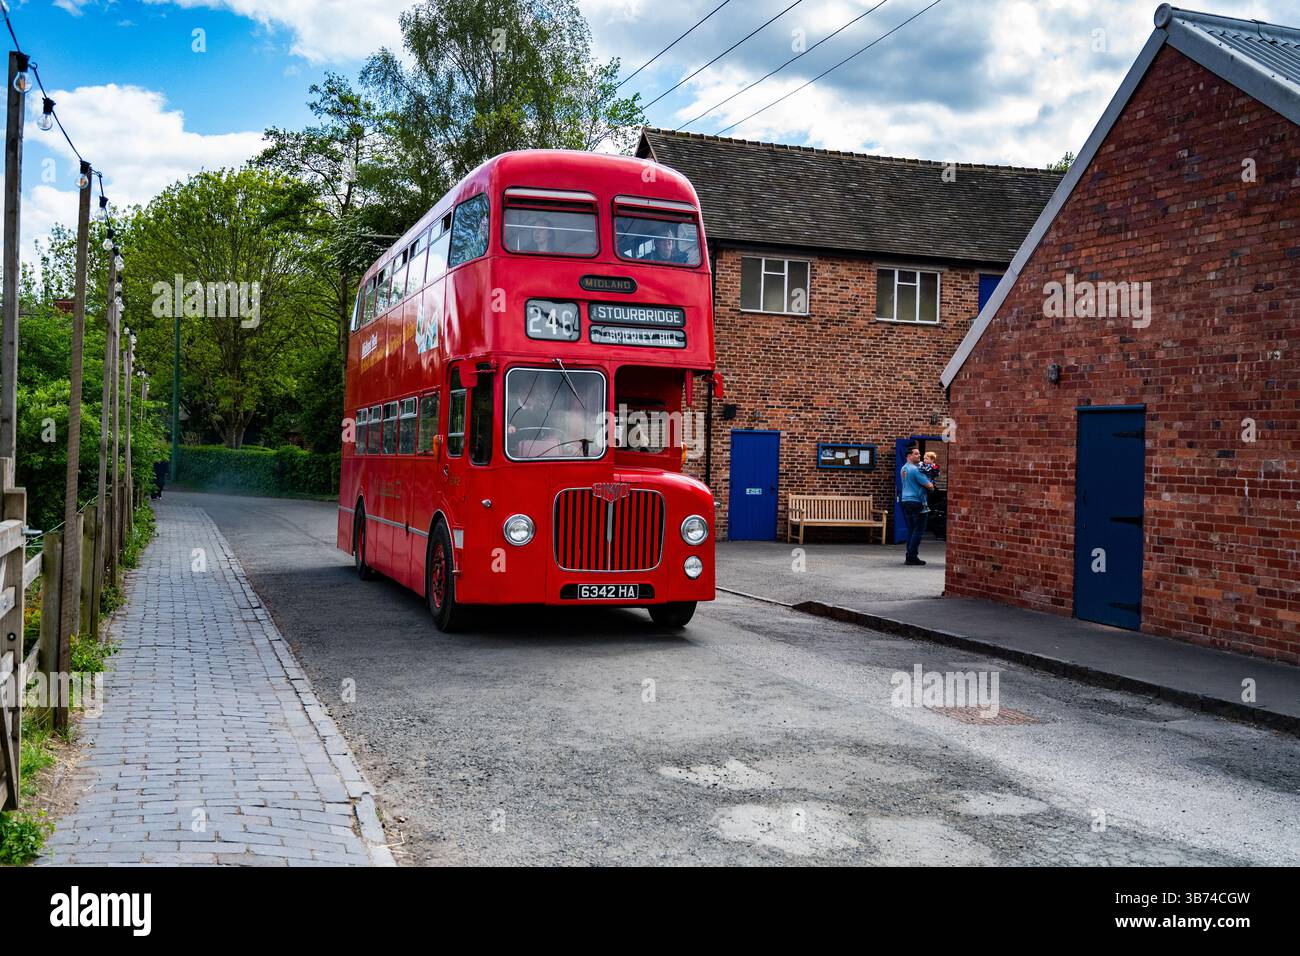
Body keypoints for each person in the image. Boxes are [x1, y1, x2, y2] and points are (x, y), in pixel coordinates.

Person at [899, 446, 935, 566]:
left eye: (919, 454)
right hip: (917, 502)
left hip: (905, 501)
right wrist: (931, 484)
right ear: (909, 456)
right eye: (916, 454)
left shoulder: (903, 468)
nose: (919, 456)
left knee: (911, 529)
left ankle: (909, 554)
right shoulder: (916, 470)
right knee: (918, 531)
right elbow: (929, 485)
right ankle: (912, 556)